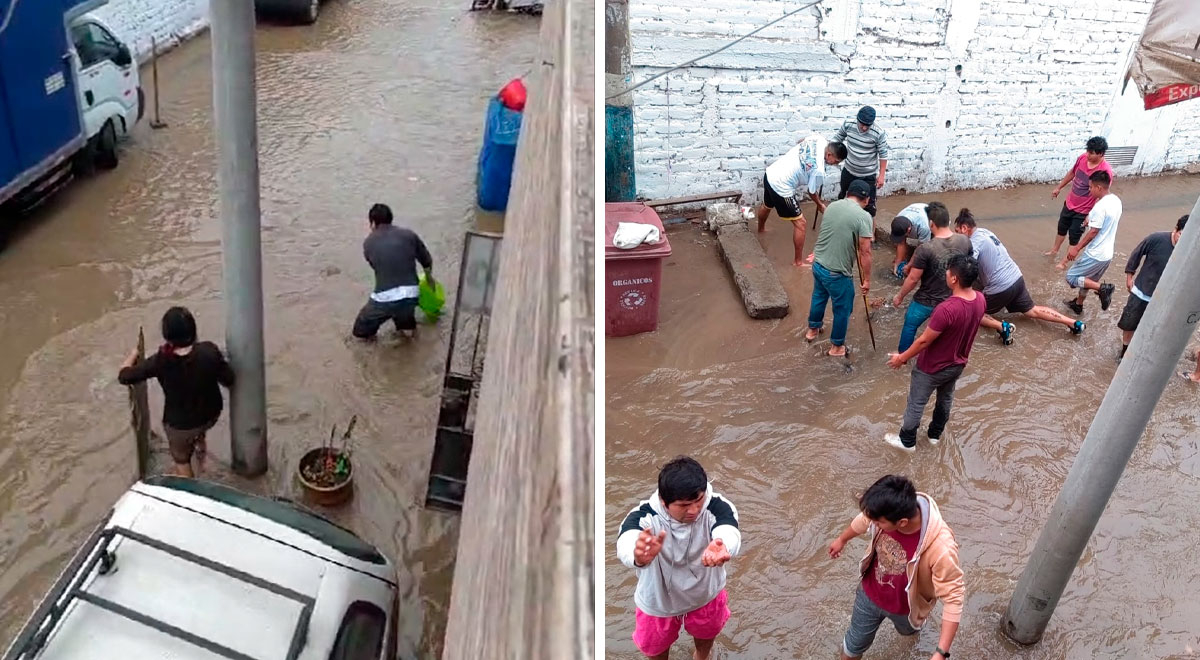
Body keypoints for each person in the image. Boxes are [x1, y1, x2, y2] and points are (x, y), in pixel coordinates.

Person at [616, 456, 742, 660]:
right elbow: (627, 538)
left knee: (706, 638)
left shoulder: (717, 506)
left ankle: (701, 657)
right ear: (664, 503)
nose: (693, 510)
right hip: (659, 600)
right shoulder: (644, 515)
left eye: (698, 501)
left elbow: (728, 528)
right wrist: (638, 556)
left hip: (704, 594)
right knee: (655, 649)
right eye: (684, 505)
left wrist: (722, 545)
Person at [828, 474, 963, 660]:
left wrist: (940, 653)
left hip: (907, 609)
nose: (872, 523)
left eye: (878, 522)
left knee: (911, 634)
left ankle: (915, 629)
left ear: (902, 523)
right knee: (853, 646)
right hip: (869, 595)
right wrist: (842, 539)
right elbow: (864, 520)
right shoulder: (884, 510)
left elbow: (954, 598)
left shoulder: (942, 549)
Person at [118, 307, 235, 478]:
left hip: (180, 427)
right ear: (194, 330)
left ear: (167, 336)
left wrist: (132, 356)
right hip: (211, 415)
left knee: (181, 459)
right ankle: (201, 453)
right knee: (198, 426)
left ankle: (189, 485)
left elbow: (124, 376)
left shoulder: (160, 361)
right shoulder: (209, 351)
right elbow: (229, 379)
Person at [886, 253, 986, 451]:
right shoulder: (980, 299)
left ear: (954, 279)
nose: (946, 274)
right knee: (945, 399)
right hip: (957, 363)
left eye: (948, 271)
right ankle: (934, 435)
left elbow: (924, 340)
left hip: (931, 367)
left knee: (916, 402)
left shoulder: (946, 309)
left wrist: (902, 358)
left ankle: (907, 442)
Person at [953, 208, 1084, 344]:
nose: (957, 237)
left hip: (1000, 288)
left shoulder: (974, 242)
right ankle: (1073, 323)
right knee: (1032, 310)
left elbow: (967, 266)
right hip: (1016, 278)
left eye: (957, 232)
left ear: (964, 228)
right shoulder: (985, 232)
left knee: (974, 311)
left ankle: (1003, 327)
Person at [805, 179, 873, 357]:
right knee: (843, 309)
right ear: (866, 200)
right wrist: (866, 280)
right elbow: (865, 252)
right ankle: (836, 347)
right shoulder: (864, 217)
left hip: (818, 263)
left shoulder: (832, 206)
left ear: (848, 193)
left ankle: (812, 330)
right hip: (837, 273)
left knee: (819, 296)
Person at [891, 202, 971, 353]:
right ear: (948, 221)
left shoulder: (926, 249)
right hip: (952, 299)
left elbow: (913, 279)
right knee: (944, 332)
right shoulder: (965, 241)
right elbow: (969, 268)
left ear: (932, 224)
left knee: (910, 325)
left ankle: (903, 357)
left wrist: (899, 296)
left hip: (926, 300)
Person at [756, 135, 848, 266]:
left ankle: (761, 231)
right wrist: (820, 205)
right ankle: (798, 262)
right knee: (801, 223)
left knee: (767, 205)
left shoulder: (819, 139)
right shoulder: (819, 170)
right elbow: (811, 192)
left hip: (771, 173)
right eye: (836, 161)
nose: (835, 164)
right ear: (828, 155)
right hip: (782, 186)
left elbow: (800, 141)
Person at [353, 203, 436, 340]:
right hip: (411, 294)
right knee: (406, 328)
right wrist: (429, 278)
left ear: (373, 223)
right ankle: (409, 340)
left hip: (385, 297)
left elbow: (378, 267)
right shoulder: (409, 235)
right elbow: (426, 260)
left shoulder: (369, 243)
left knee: (360, 332)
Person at [1120, 214, 1188, 359]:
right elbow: (1137, 253)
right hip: (1140, 291)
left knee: (1152, 329)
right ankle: (1124, 351)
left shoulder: (1187, 252)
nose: (1183, 240)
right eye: (1181, 235)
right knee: (1129, 323)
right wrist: (1129, 276)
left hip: (1162, 299)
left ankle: (1139, 352)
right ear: (1175, 229)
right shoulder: (1156, 238)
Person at [1045, 136, 1114, 260]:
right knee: (1061, 227)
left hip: (1084, 210)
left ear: (1101, 154)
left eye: (1091, 153)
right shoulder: (1082, 158)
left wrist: (1090, 214)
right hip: (1070, 202)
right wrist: (1059, 187)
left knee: (1074, 235)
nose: (1088, 154)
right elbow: (1072, 172)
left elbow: (1103, 195)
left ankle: (1065, 261)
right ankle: (1054, 250)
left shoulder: (1105, 171)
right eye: (1088, 150)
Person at [1060, 171, 1120, 315]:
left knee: (1072, 278)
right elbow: (1102, 217)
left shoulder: (1100, 207)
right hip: (1107, 255)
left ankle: (1103, 288)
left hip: (1095, 254)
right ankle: (1078, 304)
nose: (1089, 190)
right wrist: (1090, 216)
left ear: (1099, 187)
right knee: (1087, 280)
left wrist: (1076, 248)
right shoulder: (1115, 200)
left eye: (1091, 187)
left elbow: (1093, 232)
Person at [832, 105, 890, 218]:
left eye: (867, 125)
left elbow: (883, 154)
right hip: (849, 171)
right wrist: (829, 153)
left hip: (867, 175)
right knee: (843, 197)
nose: (864, 128)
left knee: (869, 207)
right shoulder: (848, 124)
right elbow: (838, 138)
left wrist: (882, 175)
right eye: (862, 124)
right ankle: (842, 221)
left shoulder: (878, 132)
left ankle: (869, 233)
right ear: (857, 119)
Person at [890, 203, 933, 279]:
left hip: (934, 216)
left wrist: (910, 265)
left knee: (929, 251)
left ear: (909, 229)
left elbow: (921, 248)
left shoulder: (924, 227)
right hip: (916, 209)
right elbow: (901, 243)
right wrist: (898, 262)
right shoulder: (898, 219)